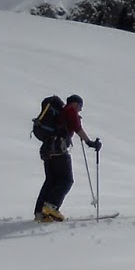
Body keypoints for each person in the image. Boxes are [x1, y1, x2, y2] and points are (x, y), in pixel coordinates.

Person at [36, 94, 99, 222]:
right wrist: (90, 143)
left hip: (48, 151)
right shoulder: (70, 110)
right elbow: (78, 129)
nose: (80, 110)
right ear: (75, 103)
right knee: (67, 180)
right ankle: (51, 208)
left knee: (50, 181)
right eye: (80, 106)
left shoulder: (61, 113)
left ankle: (40, 213)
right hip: (60, 151)